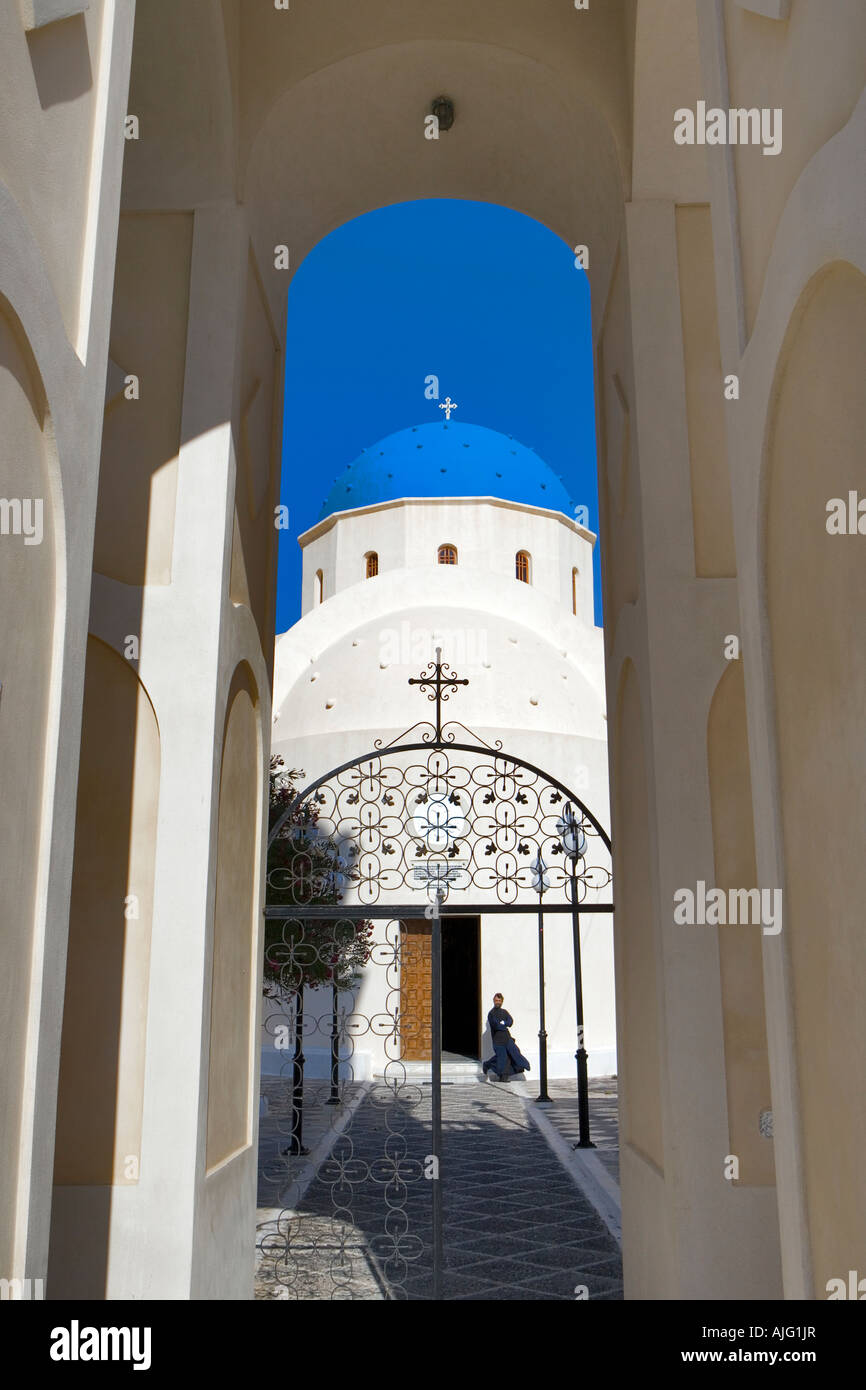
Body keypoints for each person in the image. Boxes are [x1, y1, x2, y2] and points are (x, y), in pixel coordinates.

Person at [482, 993, 530, 1081]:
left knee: (515, 1052)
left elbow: (510, 1021)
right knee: (502, 1058)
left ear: (502, 1002)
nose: (498, 1002)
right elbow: (495, 1025)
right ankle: (501, 1075)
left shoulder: (504, 1012)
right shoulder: (491, 1013)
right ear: (493, 1001)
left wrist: (504, 1023)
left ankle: (524, 1065)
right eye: (496, 1000)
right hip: (498, 1040)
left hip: (507, 1038)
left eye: (499, 1001)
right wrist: (504, 1024)